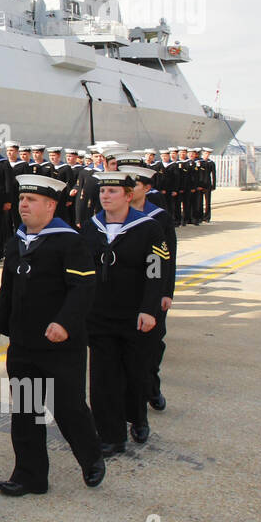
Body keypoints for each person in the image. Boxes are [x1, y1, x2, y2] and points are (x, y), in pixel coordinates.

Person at [0, 173, 105, 496]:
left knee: (68, 408)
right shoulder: (17, 241)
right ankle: (30, 476)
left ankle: (91, 457)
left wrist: (64, 322)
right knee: (26, 412)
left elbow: (83, 288)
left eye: (32, 200)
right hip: (23, 344)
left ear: (51, 205)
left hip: (61, 345)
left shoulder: (70, 242)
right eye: (22, 199)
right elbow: (8, 290)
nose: (23, 204)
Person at [82, 170, 166, 456]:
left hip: (134, 315)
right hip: (99, 314)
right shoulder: (91, 228)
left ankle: (138, 417)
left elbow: (156, 272)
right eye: (103, 191)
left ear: (129, 196)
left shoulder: (148, 228)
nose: (105, 196)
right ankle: (111, 434)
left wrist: (149, 309)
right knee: (103, 376)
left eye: (112, 192)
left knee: (135, 372)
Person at [117, 157, 178, 416]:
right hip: (122, 293)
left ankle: (151, 386)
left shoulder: (158, 217)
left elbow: (168, 258)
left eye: (134, 184)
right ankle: (131, 403)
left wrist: (166, 293)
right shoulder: (112, 215)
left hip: (152, 291)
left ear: (145, 188)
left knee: (151, 345)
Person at [201, 147, 216, 222]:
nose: (207, 155)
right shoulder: (199, 162)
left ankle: (207, 217)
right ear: (203, 153)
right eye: (205, 153)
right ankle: (200, 216)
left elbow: (213, 174)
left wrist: (214, 185)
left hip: (207, 184)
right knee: (199, 202)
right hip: (200, 185)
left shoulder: (211, 163)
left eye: (208, 154)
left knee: (208, 202)